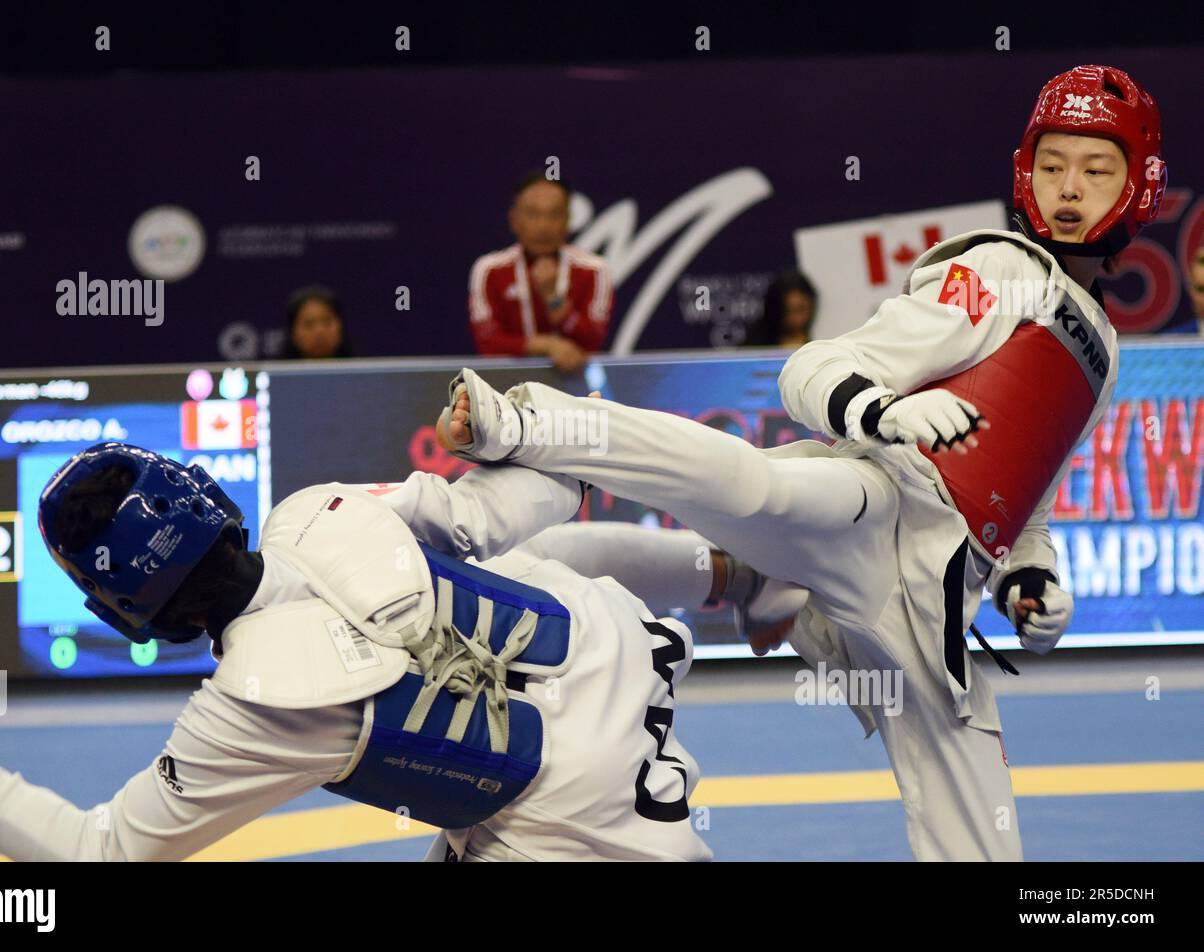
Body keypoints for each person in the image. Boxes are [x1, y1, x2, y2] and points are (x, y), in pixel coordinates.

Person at [433, 65, 1166, 861]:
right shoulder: (1001, 271)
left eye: (1096, 170)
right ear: (1026, 173)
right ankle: (533, 420)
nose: (1069, 188)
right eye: (1053, 165)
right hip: (881, 502)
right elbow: (812, 369)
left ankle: (755, 580)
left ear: (1139, 185)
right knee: (755, 487)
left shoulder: (1105, 350)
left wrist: (1033, 577)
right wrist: (888, 411)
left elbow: (1034, 498)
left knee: (979, 832)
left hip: (934, 605)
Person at [0, 442, 711, 862]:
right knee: (532, 560)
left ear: (121, 609)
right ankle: (738, 570)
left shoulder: (255, 704)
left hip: (596, 832)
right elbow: (550, 505)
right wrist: (727, 573)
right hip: (625, 650)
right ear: (209, 502)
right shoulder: (324, 510)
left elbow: (103, 849)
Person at [468, 172, 614, 374]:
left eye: (554, 214)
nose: (543, 226)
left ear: (568, 220)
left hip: (574, 389)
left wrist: (554, 299)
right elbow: (489, 344)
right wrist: (547, 345)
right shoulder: (489, 270)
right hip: (505, 387)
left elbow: (591, 341)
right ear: (514, 220)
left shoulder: (595, 270)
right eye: (532, 214)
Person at [743, 269, 818, 349]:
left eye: (801, 309)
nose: (796, 319)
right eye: (786, 311)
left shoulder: (820, 345)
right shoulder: (753, 348)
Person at [282, 284, 353, 359]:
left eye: (327, 322)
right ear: (293, 332)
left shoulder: (360, 367)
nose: (319, 331)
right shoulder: (273, 370)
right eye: (309, 324)